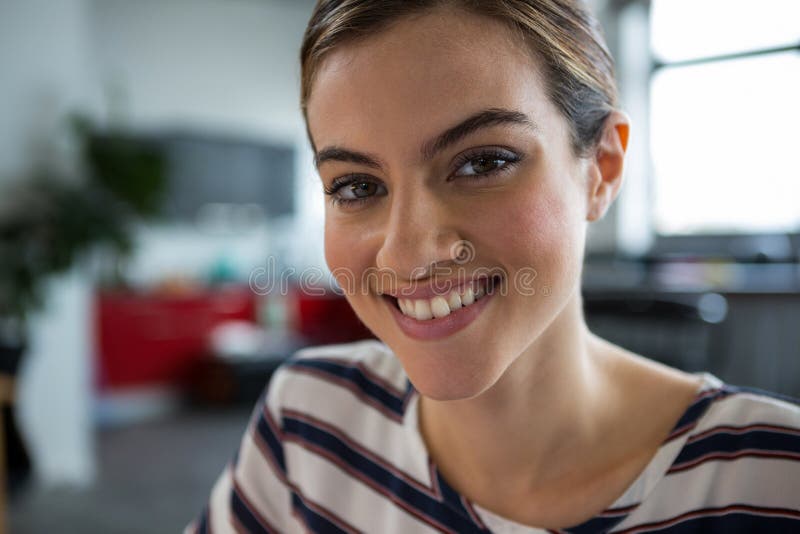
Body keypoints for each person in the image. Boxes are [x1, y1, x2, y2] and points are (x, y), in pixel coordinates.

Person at [188, 1, 800, 532]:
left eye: (482, 163)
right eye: (356, 186)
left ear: (601, 169)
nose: (407, 254)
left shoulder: (773, 478)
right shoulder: (308, 420)